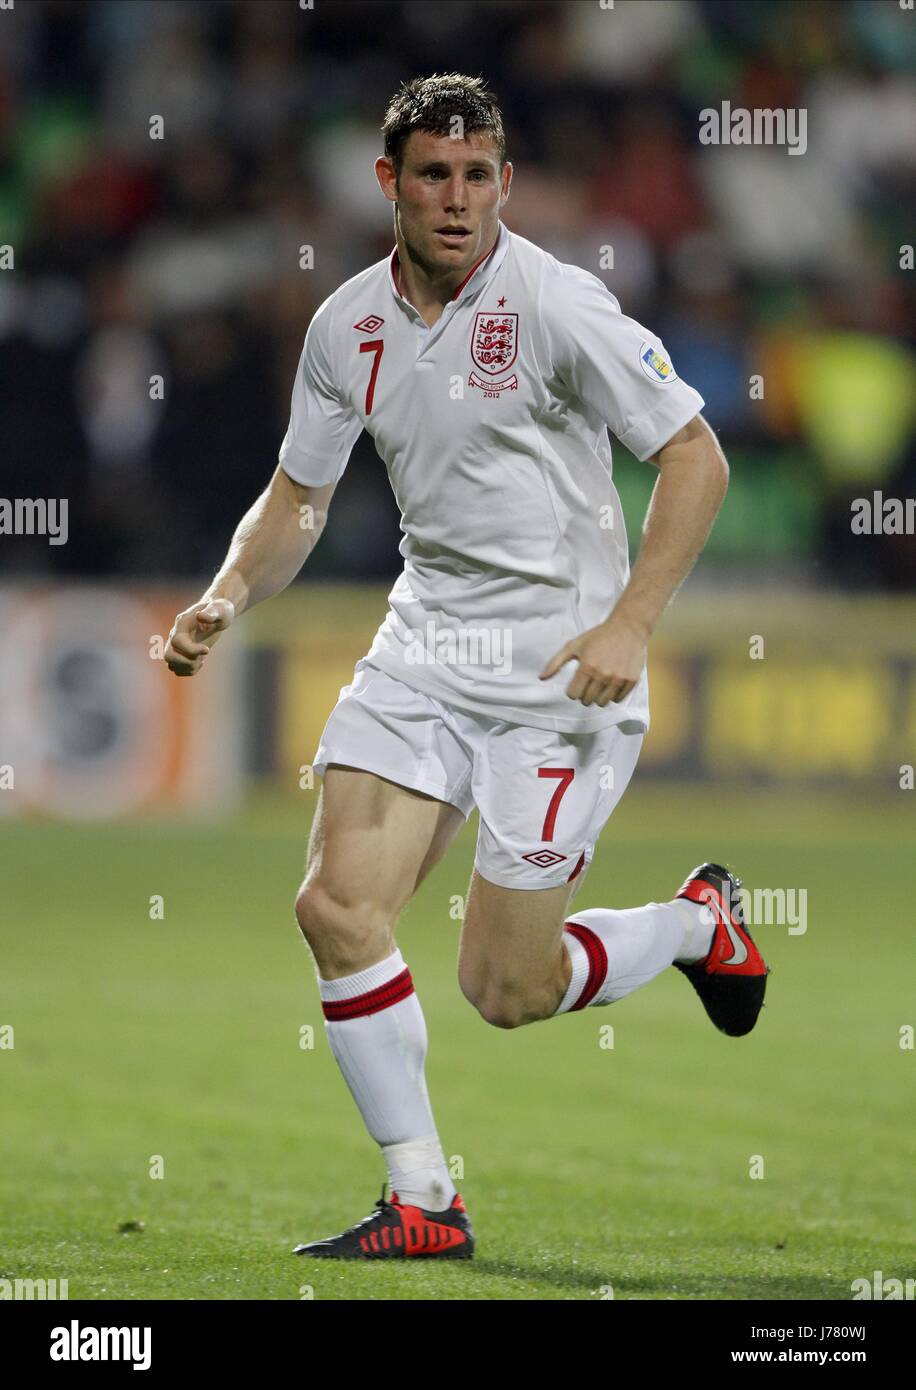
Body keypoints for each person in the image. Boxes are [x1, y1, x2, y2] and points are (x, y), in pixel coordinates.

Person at [165, 73, 768, 1262]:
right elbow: (300, 494)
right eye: (432, 175)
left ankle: (698, 926)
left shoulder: (558, 304)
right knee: (337, 907)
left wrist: (631, 624)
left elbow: (694, 456)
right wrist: (229, 590)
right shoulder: (346, 326)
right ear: (388, 183)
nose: (456, 199)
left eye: (477, 175)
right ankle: (423, 1200)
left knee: (508, 987)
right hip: (425, 646)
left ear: (506, 182)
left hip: (560, 675)